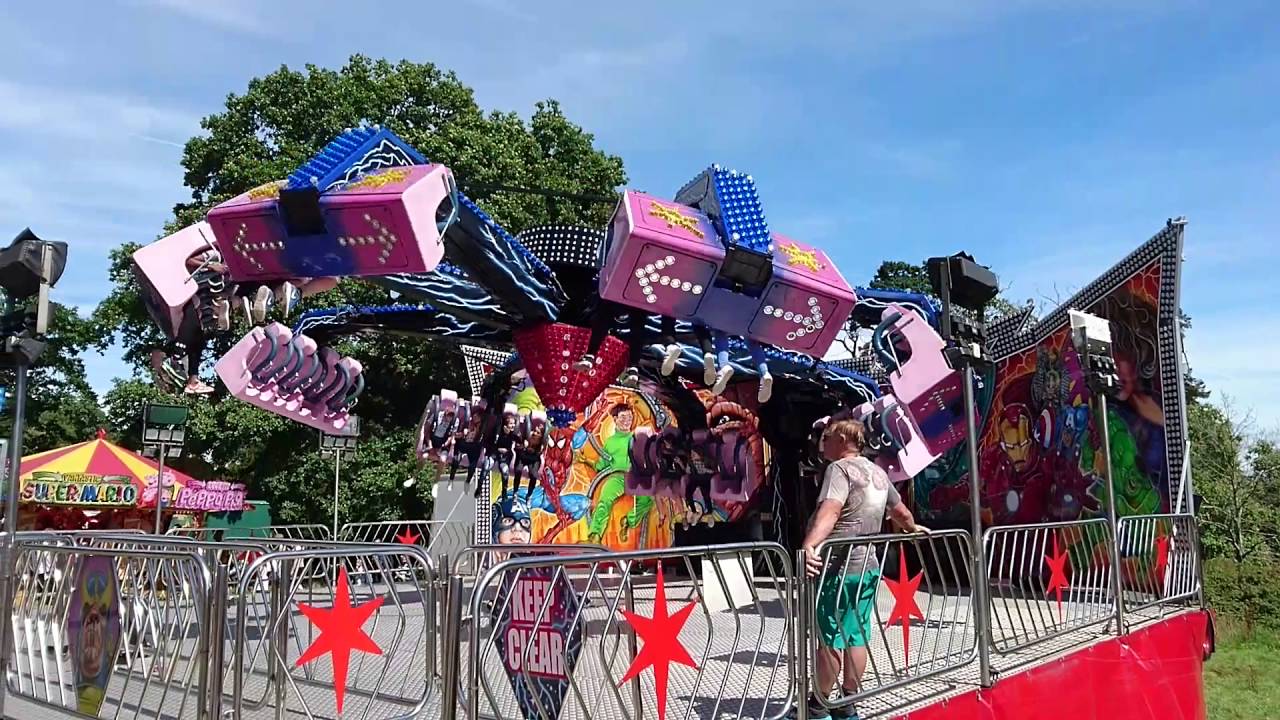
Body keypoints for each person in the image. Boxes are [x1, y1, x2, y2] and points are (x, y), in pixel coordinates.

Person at [801, 419, 926, 720]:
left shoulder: (839, 470)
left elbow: (831, 510)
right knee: (856, 634)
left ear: (843, 439)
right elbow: (900, 511)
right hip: (868, 568)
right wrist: (912, 528)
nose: (822, 444)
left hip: (837, 567)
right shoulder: (877, 471)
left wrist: (810, 545)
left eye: (827, 438)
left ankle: (818, 706)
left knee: (831, 636)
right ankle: (849, 702)